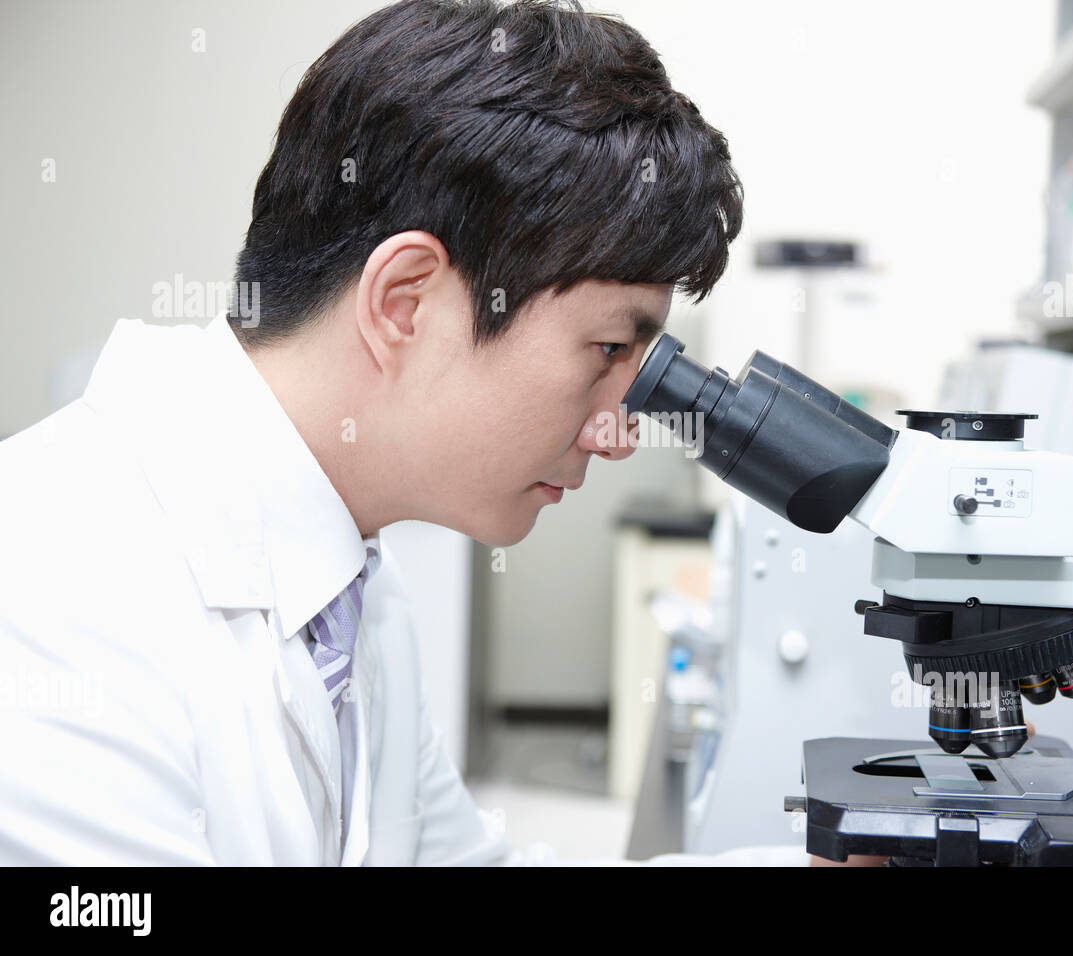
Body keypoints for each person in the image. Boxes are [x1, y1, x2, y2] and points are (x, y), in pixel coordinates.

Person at [0, 0, 842, 865]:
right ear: (405, 302)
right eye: (606, 348)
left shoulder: (348, 580)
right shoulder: (51, 593)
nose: (619, 433)